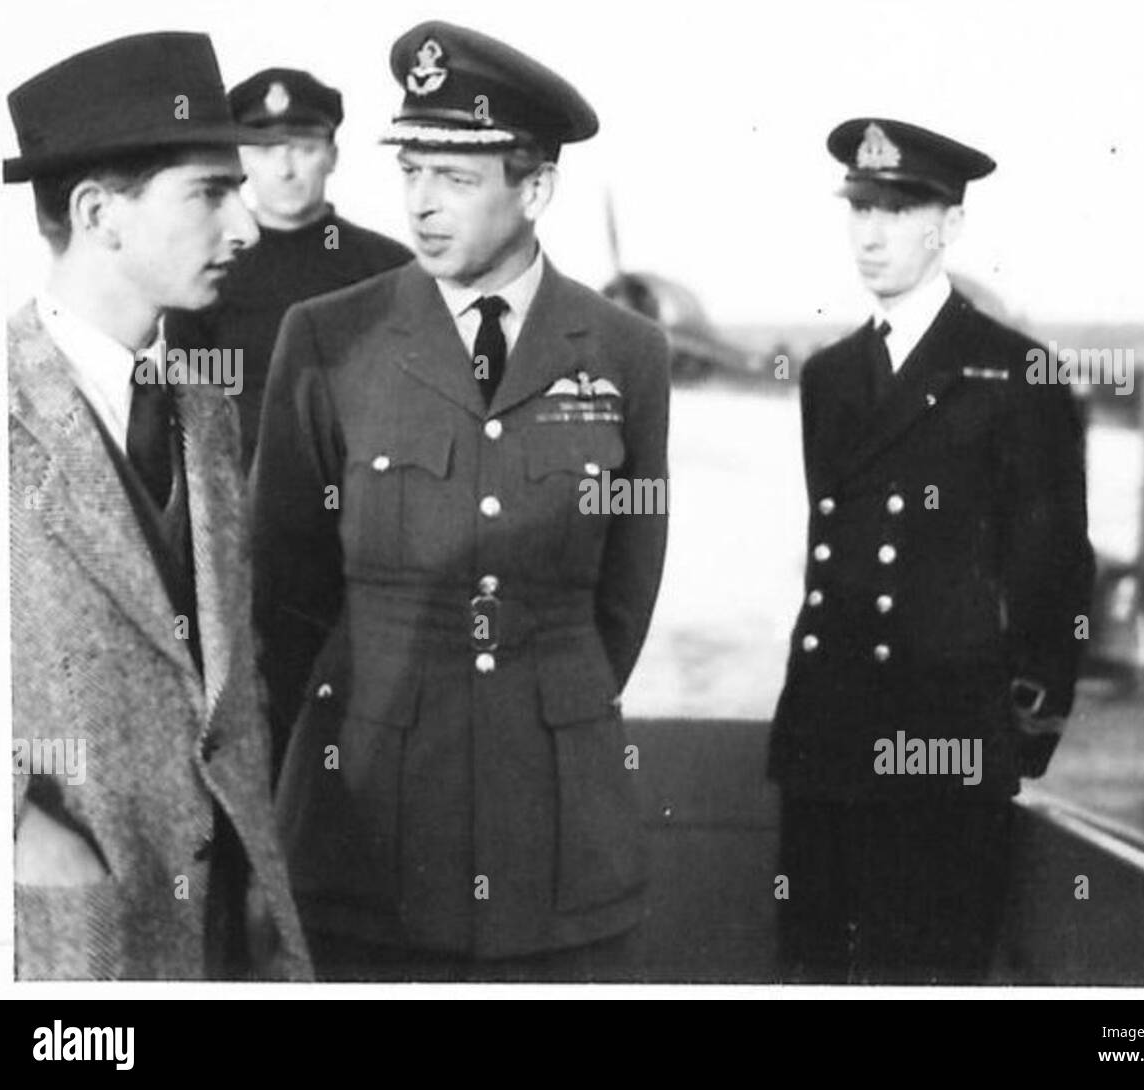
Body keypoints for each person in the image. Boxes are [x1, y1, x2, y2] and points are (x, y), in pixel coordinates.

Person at [251, 21, 671, 979]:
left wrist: (540, 707)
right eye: (412, 172)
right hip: (370, 819)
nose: (423, 205)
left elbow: (626, 590)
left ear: (536, 190)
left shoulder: (626, 353)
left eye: (457, 178)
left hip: (554, 831)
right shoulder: (328, 339)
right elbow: (285, 587)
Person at [5, 31, 312, 980]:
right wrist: (15, 826)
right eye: (210, 192)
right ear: (100, 213)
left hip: (223, 931)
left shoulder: (204, 410)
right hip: (76, 942)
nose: (248, 227)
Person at [769, 118, 1095, 984]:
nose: (869, 232)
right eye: (859, 208)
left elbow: (1055, 565)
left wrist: (1022, 730)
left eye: (897, 209)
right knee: (812, 973)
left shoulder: (1015, 373)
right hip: (826, 741)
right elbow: (833, 554)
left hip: (942, 750)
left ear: (948, 225)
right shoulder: (829, 377)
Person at [167, 67, 412, 473]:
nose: (285, 169)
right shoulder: (204, 271)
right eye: (265, 150)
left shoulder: (389, 268)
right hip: (237, 493)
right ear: (240, 159)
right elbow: (190, 407)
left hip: (360, 491)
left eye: (303, 148)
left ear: (332, 156)